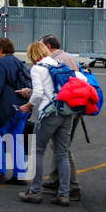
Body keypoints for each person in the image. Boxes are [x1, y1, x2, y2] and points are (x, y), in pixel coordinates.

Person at [17, 41, 73, 206]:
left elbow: (39, 93)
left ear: (33, 55)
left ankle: (35, 191)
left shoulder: (37, 68)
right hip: (66, 111)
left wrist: (28, 105)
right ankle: (64, 193)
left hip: (49, 113)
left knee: (38, 151)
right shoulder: (59, 65)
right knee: (62, 154)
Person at [0, 37, 30, 184]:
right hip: (22, 107)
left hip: (5, 107)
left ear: (1, 50)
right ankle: (19, 173)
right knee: (16, 140)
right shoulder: (19, 62)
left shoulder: (1, 63)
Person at [40, 35, 82, 199]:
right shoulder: (70, 58)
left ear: (48, 46)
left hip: (63, 108)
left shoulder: (55, 61)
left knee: (63, 148)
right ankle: (55, 179)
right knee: (60, 146)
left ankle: (72, 186)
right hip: (75, 107)